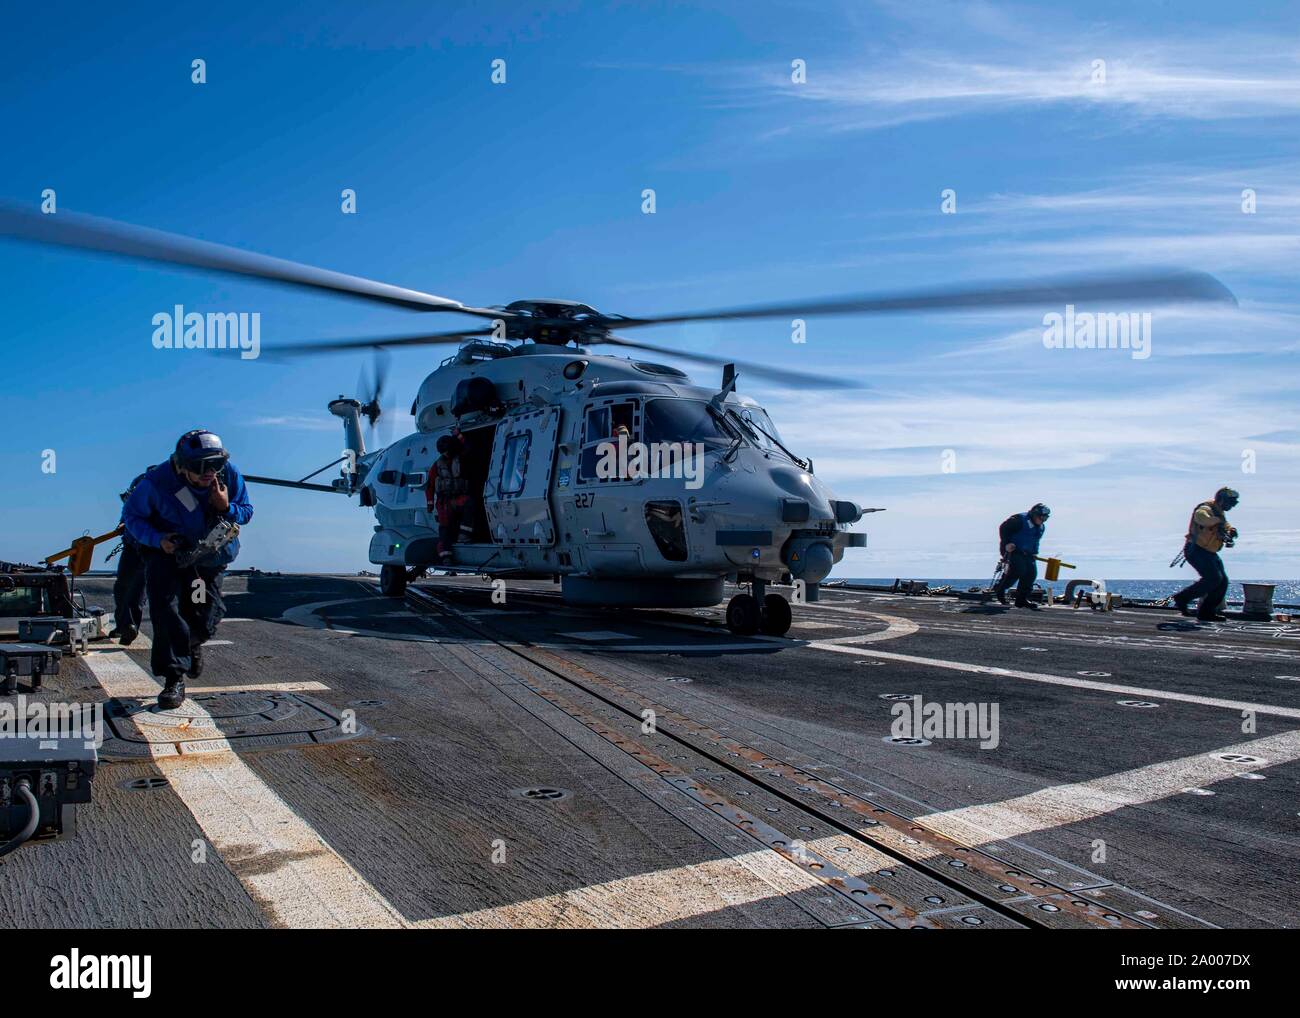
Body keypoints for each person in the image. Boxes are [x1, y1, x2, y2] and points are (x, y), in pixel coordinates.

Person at [122, 431, 253, 709]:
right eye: (199, 467)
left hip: (206, 558)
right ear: (181, 465)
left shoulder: (227, 474)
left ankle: (192, 644)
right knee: (165, 608)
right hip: (167, 553)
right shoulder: (157, 482)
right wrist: (158, 540)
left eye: (214, 465)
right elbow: (132, 517)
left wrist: (226, 506)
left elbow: (246, 510)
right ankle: (173, 677)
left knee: (204, 617)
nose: (208, 474)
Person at [1173, 487, 1239, 621]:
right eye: (1229, 503)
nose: (1230, 507)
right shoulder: (1205, 509)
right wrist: (1218, 521)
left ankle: (1206, 613)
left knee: (1222, 582)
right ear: (1221, 500)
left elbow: (1225, 524)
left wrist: (1231, 530)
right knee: (1213, 578)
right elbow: (1202, 518)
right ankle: (1182, 598)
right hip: (1196, 550)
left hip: (1209, 552)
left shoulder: (1219, 513)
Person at [109, 466, 153, 646]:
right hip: (133, 544)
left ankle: (128, 625)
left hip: (149, 547)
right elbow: (128, 507)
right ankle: (124, 625)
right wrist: (122, 523)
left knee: (133, 589)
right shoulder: (141, 483)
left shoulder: (148, 486)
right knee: (124, 587)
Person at [426, 433, 472, 565]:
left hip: (459, 498)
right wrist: (430, 503)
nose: (446, 454)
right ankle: (446, 556)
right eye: (443, 452)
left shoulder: (460, 458)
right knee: (444, 528)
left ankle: (464, 536)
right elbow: (430, 485)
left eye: (447, 451)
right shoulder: (436, 466)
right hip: (444, 501)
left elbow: (469, 449)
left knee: (469, 504)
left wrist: (459, 436)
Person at [993, 503, 1051, 609]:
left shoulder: (1041, 527)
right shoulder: (1018, 520)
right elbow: (1003, 528)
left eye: (1045, 518)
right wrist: (1007, 543)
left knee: (1031, 574)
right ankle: (999, 589)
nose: (1043, 520)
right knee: (1018, 570)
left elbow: (1034, 541)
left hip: (1028, 554)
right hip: (1013, 551)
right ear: (1034, 514)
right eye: (1041, 517)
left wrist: (1034, 553)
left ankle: (1021, 600)